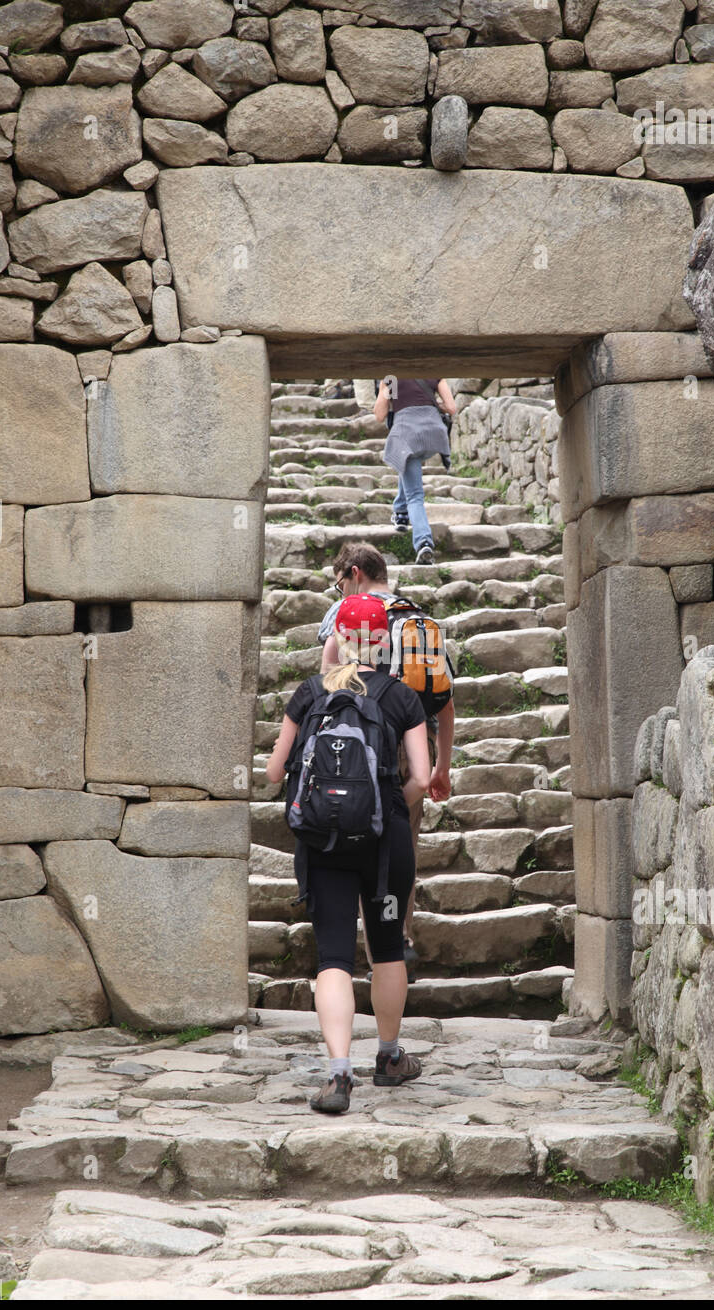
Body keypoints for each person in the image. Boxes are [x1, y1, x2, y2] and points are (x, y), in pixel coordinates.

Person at [265, 594, 431, 1115]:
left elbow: (275, 772)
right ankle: (388, 1058)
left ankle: (338, 1075)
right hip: (387, 846)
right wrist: (387, 809)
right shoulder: (402, 697)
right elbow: (422, 778)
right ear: (383, 641)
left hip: (323, 844)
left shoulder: (310, 693)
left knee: (333, 957)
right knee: (385, 948)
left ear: (336, 637)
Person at [316, 542, 455, 971]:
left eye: (339, 582)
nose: (339, 591)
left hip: (358, 746)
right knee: (400, 846)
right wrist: (441, 768)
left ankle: (368, 946)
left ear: (354, 573)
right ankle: (397, 939)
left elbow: (326, 685)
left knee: (355, 834)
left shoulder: (346, 614)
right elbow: (446, 702)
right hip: (415, 747)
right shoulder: (419, 618)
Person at [375, 377, 458, 565]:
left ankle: (423, 543)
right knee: (406, 464)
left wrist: (384, 389)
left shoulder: (392, 379)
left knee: (415, 495)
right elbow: (451, 408)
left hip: (407, 433)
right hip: (433, 433)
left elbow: (380, 415)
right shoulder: (433, 373)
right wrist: (434, 406)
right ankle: (401, 512)